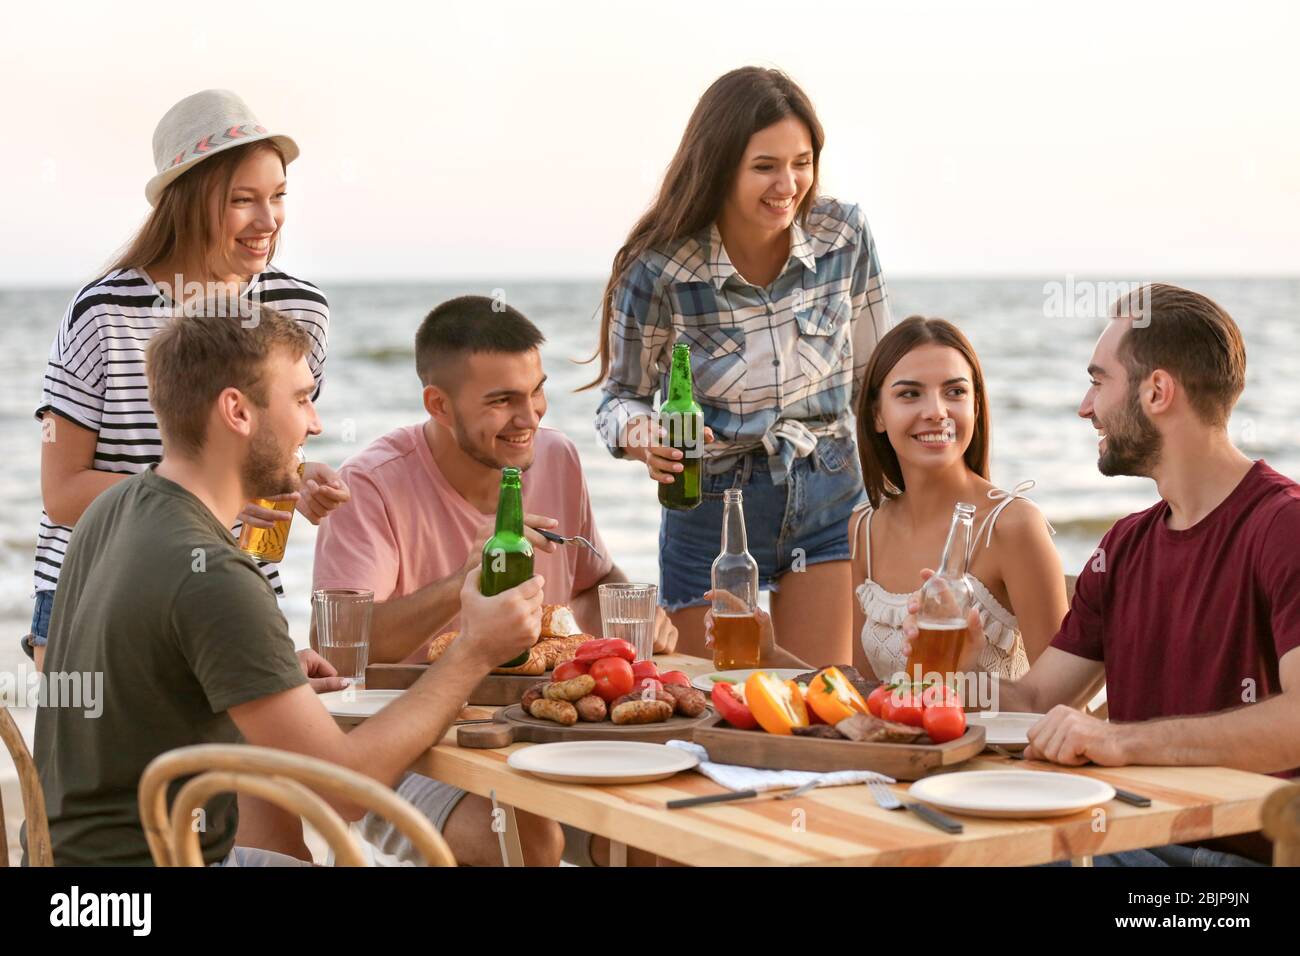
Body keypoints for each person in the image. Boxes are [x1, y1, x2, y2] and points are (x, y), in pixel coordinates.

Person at [29, 305, 544, 866]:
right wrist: (474, 651)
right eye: (301, 399)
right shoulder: (215, 575)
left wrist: (256, 672)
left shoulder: (116, 506)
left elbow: (141, 674)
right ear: (237, 411)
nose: (315, 424)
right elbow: (345, 790)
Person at [903, 284, 1300, 865]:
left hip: (1235, 859)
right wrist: (962, 670)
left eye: (1098, 381)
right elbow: (1035, 699)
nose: (1085, 407)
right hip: (1129, 838)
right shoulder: (1124, 545)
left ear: (1157, 391)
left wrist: (1119, 739)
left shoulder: (1283, 526)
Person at [312, 294, 677, 866]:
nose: (530, 418)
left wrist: (633, 613)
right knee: (525, 842)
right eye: (503, 401)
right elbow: (342, 649)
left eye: (536, 392)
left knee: (658, 836)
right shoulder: (371, 485)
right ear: (439, 404)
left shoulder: (556, 456)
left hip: (535, 724)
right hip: (409, 747)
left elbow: (592, 579)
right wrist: (464, 579)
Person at [26, 89, 348, 672]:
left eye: (278, 196)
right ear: (189, 202)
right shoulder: (104, 312)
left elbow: (265, 455)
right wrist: (208, 500)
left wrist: (299, 479)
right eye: (242, 200)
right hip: (102, 588)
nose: (268, 221)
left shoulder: (300, 309)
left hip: (234, 587)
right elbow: (64, 493)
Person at [587, 66, 892, 665]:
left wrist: (908, 493)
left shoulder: (844, 235)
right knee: (710, 695)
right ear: (720, 165)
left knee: (817, 691)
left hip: (828, 488)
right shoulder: (660, 268)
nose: (788, 184)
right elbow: (620, 396)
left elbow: (874, 382)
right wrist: (641, 434)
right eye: (765, 166)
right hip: (708, 502)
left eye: (802, 162)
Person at [850, 317, 1067, 682]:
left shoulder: (1013, 526)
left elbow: (1062, 701)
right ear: (877, 415)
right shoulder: (864, 529)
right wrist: (773, 655)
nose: (937, 411)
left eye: (955, 392)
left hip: (1001, 724)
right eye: (910, 394)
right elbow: (865, 691)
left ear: (976, 407)